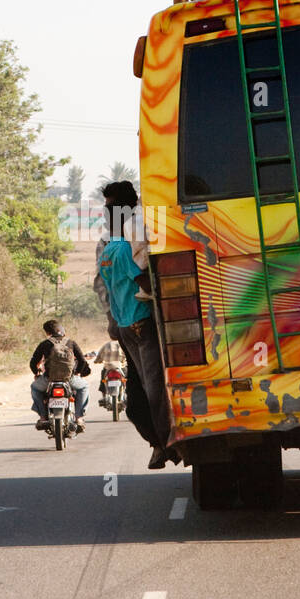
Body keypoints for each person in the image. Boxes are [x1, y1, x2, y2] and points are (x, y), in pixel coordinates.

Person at [96, 180, 176, 469]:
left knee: (143, 390)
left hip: (127, 324)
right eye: (107, 209)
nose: (107, 215)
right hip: (140, 321)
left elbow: (105, 288)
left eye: (111, 208)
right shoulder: (118, 245)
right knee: (151, 389)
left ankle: (162, 444)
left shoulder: (114, 246)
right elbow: (135, 281)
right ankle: (166, 442)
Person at [28, 319, 91, 430]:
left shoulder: (45, 344)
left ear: (47, 332)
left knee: (34, 388)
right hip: (69, 379)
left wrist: (36, 372)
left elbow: (33, 362)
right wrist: (76, 373)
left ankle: (43, 417)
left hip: (49, 380)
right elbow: (82, 361)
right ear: (60, 329)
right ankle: (79, 417)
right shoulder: (71, 342)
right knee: (84, 387)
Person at [92, 338, 125, 407]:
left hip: (108, 367)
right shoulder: (122, 345)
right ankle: (125, 393)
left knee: (103, 381)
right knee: (126, 380)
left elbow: (99, 356)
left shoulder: (106, 345)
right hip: (119, 367)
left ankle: (104, 397)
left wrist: (97, 361)